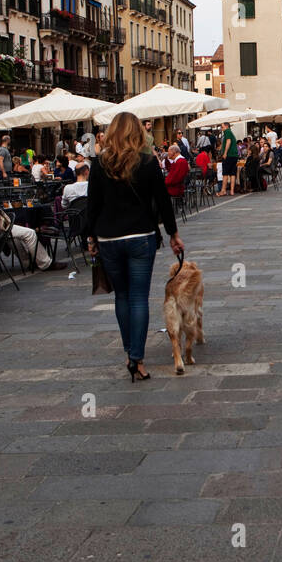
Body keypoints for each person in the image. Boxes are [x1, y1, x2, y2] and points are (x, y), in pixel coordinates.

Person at [86, 111, 181, 382]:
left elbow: (92, 206)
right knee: (139, 298)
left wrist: (91, 239)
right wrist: (173, 233)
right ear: (137, 133)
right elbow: (162, 201)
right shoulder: (148, 162)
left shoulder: (99, 164)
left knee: (123, 297)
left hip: (109, 240)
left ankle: (130, 353)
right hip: (141, 236)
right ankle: (137, 359)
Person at [219, 124, 239, 196]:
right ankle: (232, 191)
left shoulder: (227, 132)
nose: (221, 128)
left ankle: (223, 190)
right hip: (234, 155)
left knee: (225, 173)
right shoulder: (231, 132)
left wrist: (225, 153)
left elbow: (228, 141)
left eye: (222, 127)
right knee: (232, 173)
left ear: (227, 126)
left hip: (229, 155)